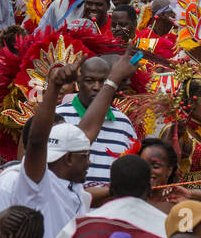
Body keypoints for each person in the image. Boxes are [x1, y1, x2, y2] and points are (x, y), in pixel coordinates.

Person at [0, 69, 92, 238]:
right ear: (68, 158)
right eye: (85, 157)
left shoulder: (72, 187)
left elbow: (89, 130)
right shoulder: (16, 183)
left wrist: (111, 83)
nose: (90, 163)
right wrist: (54, 87)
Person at [53, 54, 139, 189]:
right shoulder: (58, 117)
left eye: (103, 82)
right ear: (79, 82)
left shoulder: (124, 123)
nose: (97, 87)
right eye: (90, 80)